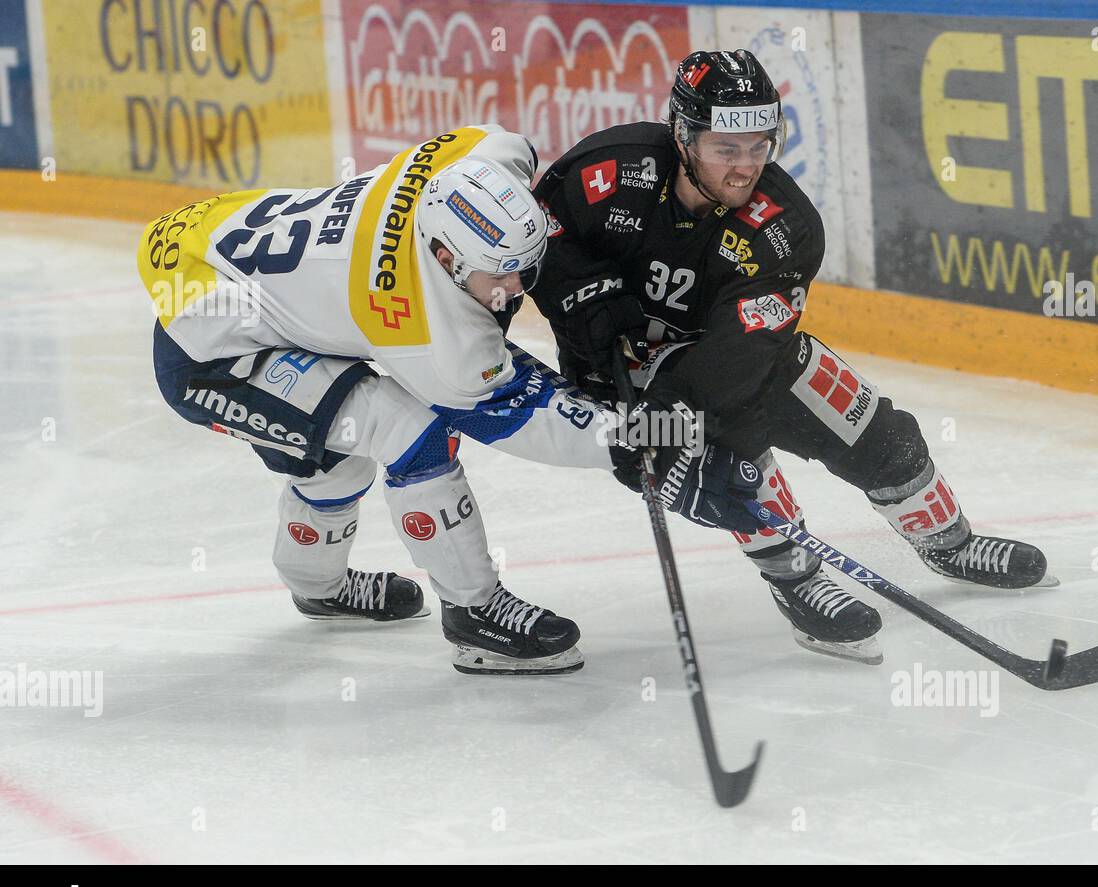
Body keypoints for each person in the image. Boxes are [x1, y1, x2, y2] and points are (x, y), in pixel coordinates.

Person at [139, 124, 759, 675]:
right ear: (443, 256)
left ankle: (317, 588)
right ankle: (474, 613)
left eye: (526, 264)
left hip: (234, 272)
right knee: (406, 432)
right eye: (501, 275)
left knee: (336, 459)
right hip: (213, 360)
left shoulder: (485, 151)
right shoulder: (431, 334)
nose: (516, 289)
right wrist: (632, 445)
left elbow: (530, 177)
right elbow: (528, 416)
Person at [530, 52, 1052, 666]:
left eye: (759, 145)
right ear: (683, 135)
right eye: (727, 148)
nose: (745, 166)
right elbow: (537, 235)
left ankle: (948, 542)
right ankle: (798, 580)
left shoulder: (785, 226)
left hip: (725, 361)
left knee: (870, 427)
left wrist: (683, 417)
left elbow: (742, 350)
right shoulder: (608, 171)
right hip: (620, 371)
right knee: (742, 471)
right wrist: (589, 314)